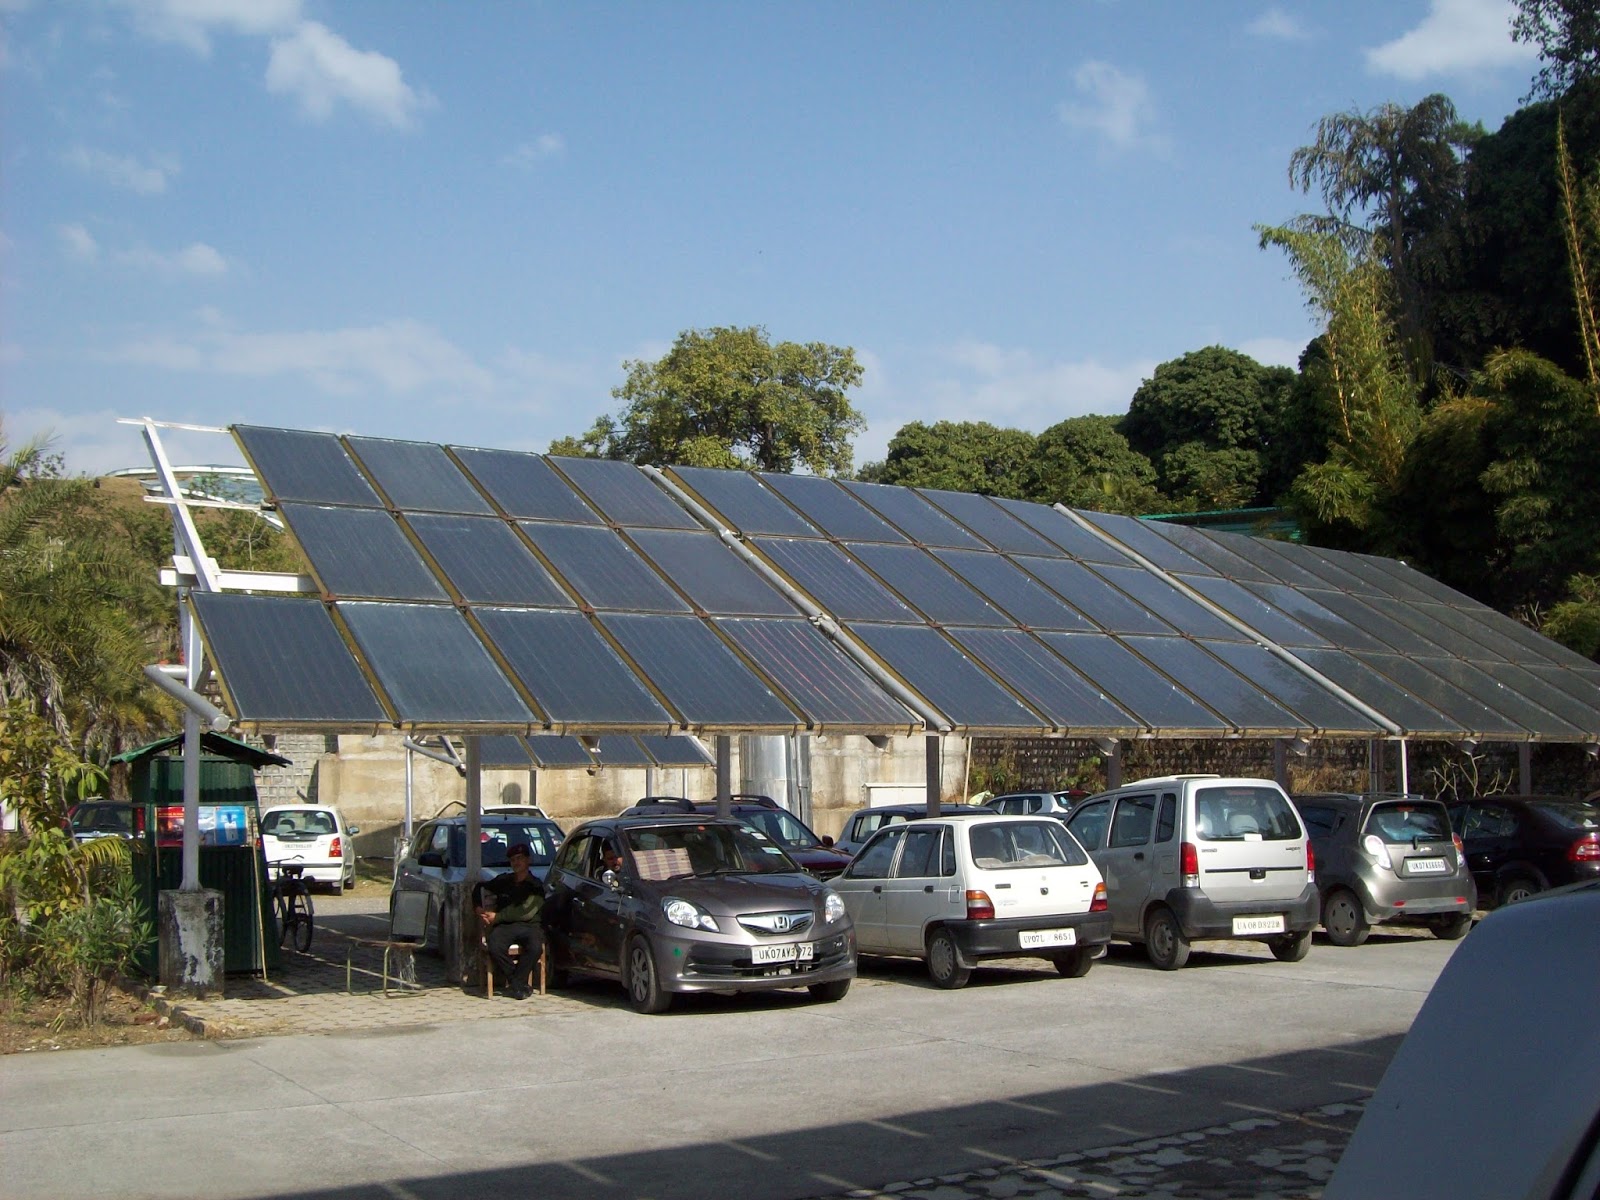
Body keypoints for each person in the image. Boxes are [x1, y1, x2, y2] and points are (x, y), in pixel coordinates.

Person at [472, 842, 544, 1000]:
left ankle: (516, 982)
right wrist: (478, 907)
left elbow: (526, 911)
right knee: (495, 945)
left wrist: (496, 917)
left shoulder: (535, 885)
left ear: (528, 860)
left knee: (535, 947)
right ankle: (518, 984)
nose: (516, 863)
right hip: (506, 927)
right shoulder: (504, 880)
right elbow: (480, 887)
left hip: (529, 925)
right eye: (513, 860)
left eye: (520, 858)